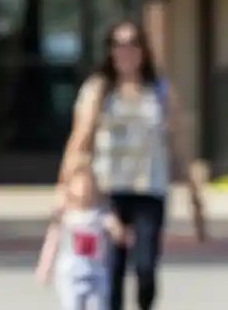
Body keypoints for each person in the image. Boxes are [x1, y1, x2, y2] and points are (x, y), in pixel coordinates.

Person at [58, 20, 208, 310]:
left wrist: (194, 193)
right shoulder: (98, 89)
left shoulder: (160, 91)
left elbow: (179, 143)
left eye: (133, 44)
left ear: (144, 50)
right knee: (111, 270)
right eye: (119, 44)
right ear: (111, 51)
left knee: (145, 268)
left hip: (150, 189)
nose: (126, 51)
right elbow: (80, 138)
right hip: (108, 190)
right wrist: (65, 186)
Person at [36, 159, 128, 309]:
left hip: (97, 274)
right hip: (70, 274)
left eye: (88, 185)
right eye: (80, 185)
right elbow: (52, 242)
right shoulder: (66, 217)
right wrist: (45, 267)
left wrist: (118, 230)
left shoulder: (102, 215)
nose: (84, 190)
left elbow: (118, 235)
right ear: (70, 188)